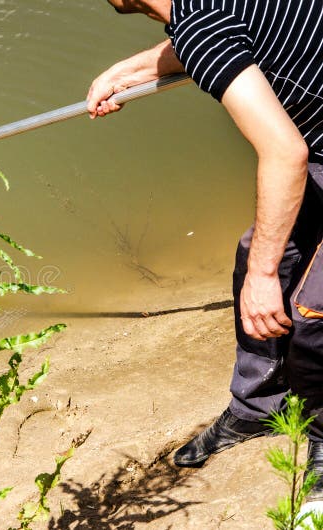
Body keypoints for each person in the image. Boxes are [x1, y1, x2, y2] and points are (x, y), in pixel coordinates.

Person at [87, 0, 323, 496]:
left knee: (310, 313)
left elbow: (286, 152)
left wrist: (262, 280)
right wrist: (132, 69)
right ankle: (258, 408)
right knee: (260, 256)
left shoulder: (200, 28)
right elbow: (224, 33)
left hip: (311, 149)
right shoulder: (205, 18)